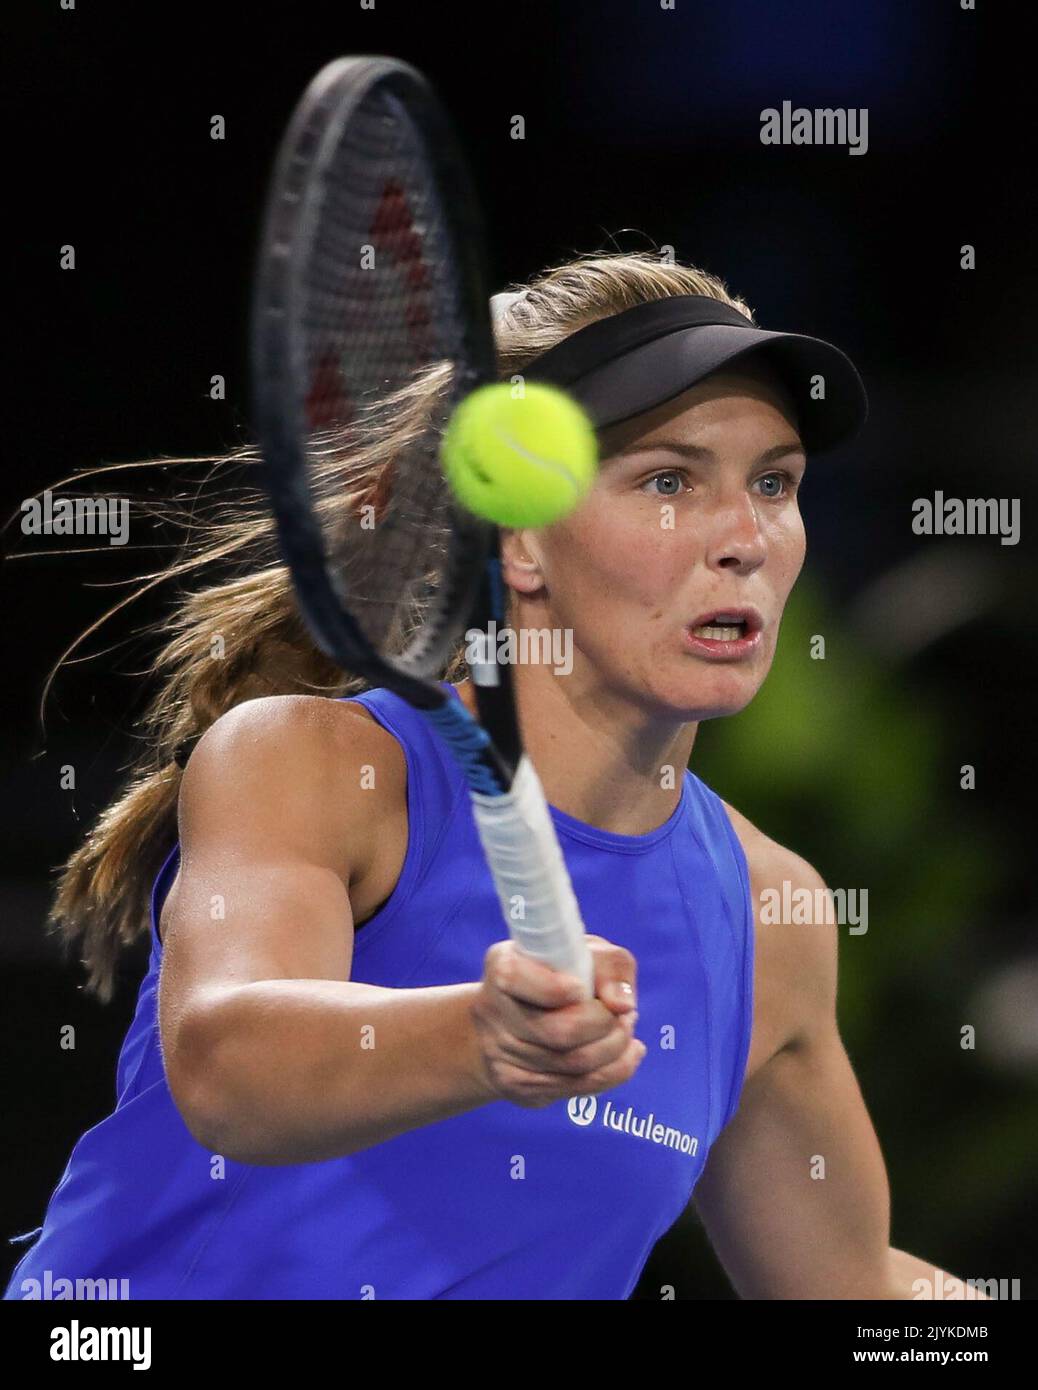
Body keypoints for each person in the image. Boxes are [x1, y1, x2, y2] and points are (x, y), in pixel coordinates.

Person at [5, 253, 979, 1300]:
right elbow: (229, 1066)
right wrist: (483, 1032)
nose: (745, 538)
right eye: (669, 480)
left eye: (774, 482)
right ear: (519, 535)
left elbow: (845, 1288)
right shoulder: (314, 763)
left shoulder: (770, 909)